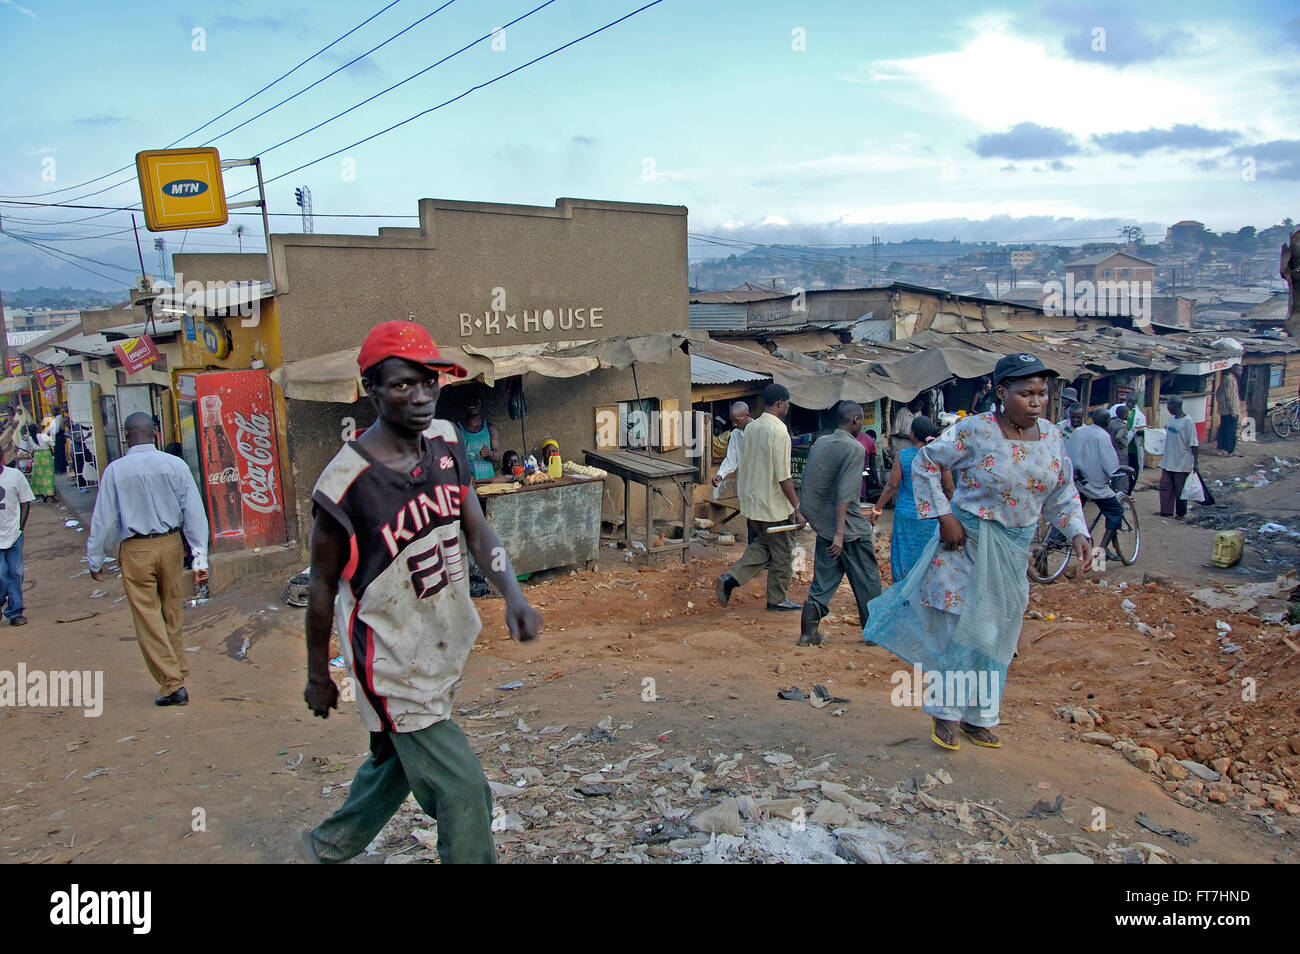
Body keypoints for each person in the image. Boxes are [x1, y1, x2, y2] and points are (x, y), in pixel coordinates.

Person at [301, 321, 542, 865]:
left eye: (429, 382)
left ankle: (328, 847)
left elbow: (477, 529)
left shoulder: (448, 442)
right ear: (371, 390)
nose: (420, 396)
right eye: (402, 385)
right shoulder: (344, 486)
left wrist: (513, 593)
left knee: (396, 760)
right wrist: (319, 674)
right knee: (463, 793)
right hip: (391, 660)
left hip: (439, 639)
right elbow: (320, 587)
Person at [861, 353, 1091, 751]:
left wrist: (1077, 532)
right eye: (1025, 393)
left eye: (1041, 393)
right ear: (1002, 393)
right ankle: (946, 713)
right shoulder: (975, 431)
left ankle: (979, 716)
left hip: (1012, 552)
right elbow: (926, 464)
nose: (1036, 401)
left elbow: (1061, 492)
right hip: (965, 545)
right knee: (960, 627)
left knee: (997, 631)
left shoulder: (1053, 437)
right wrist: (943, 515)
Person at [86, 413, 210, 707]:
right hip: (170, 545)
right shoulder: (175, 465)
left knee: (148, 619)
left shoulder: (115, 471)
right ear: (155, 432)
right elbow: (194, 513)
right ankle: (176, 670)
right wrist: (199, 557)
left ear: (126, 434)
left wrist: (95, 558)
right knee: (171, 613)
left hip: (136, 549)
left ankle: (173, 683)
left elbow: (103, 520)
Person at [796, 402, 882, 646]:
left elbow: (810, 480)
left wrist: (814, 518)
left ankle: (808, 632)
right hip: (849, 529)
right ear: (854, 420)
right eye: (861, 420)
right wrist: (840, 534)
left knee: (823, 581)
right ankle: (874, 633)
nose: (862, 424)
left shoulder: (821, 442)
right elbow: (845, 494)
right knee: (867, 581)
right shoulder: (855, 449)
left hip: (824, 524)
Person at [714, 383, 806, 612]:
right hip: (774, 505)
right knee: (783, 552)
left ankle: (730, 578)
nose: (787, 406)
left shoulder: (751, 429)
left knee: (763, 545)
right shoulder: (778, 431)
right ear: (780, 403)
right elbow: (783, 476)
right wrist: (797, 506)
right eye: (787, 402)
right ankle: (777, 599)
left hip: (753, 501)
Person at [874, 416, 946, 582]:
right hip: (932, 516)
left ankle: (902, 592)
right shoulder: (939, 456)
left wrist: (877, 508)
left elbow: (892, 486)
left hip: (906, 515)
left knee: (904, 556)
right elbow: (948, 487)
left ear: (913, 434)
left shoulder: (903, 455)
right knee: (929, 556)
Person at [1066, 408, 1124, 561]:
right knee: (1116, 511)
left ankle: (1050, 543)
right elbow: (1110, 466)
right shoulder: (1102, 436)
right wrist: (1120, 468)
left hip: (1076, 480)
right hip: (1094, 485)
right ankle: (1101, 550)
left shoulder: (1079, 432)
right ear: (1107, 421)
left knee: (1071, 513)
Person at [0, 454, 35, 625]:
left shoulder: (14, 476)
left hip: (13, 534)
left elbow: (25, 502)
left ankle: (15, 612)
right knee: (1, 575)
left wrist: (20, 527)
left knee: (15, 573)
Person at [1158, 395, 1200, 519]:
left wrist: (1195, 462)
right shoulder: (1171, 419)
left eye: (1169, 405)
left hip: (1182, 460)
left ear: (1176, 406)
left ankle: (1181, 512)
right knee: (1165, 485)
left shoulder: (1188, 421)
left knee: (1180, 488)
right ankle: (1166, 510)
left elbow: (1193, 443)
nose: (1167, 408)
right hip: (1168, 459)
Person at [710, 402, 752, 500]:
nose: (734, 424)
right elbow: (731, 460)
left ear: (747, 416)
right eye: (732, 421)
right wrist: (720, 475)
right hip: (744, 486)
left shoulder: (760, 431)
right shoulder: (735, 434)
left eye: (737, 421)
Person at [455, 393, 499, 481]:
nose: (472, 404)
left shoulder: (490, 428)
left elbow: (498, 456)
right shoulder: (457, 428)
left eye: (476, 402)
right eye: (469, 402)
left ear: (481, 405)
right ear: (464, 405)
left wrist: (490, 453)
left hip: (488, 480)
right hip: (468, 482)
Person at [1109, 393, 1146, 494]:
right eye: (1129, 402)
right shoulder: (1116, 408)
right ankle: (1116, 492)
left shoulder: (1139, 414)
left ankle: (1128, 492)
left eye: (1133, 403)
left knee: (1132, 469)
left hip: (1132, 447)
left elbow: (1142, 429)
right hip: (1117, 448)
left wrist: (1139, 431)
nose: (1130, 404)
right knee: (1117, 471)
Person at [1215, 365, 1242, 456]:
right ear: (1233, 370)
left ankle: (1221, 449)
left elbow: (1218, 393)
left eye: (1241, 370)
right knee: (1230, 431)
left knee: (1223, 429)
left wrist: (1220, 404)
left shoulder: (1226, 378)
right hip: (1230, 410)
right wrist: (1233, 410)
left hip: (1224, 410)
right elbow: (1231, 397)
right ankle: (1229, 450)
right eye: (1238, 370)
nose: (1240, 372)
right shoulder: (1230, 380)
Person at [23, 424, 54, 502]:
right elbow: (53, 444)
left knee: (38, 476)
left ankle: (40, 494)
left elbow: (30, 450)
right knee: (48, 476)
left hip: (37, 457)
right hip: (46, 456)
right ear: (37, 429)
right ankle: (49, 494)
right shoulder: (43, 436)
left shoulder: (29, 439)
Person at [857, 426, 880, 500]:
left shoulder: (857, 435)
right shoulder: (872, 441)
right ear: (873, 438)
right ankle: (861, 497)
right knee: (862, 476)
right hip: (860, 462)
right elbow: (872, 465)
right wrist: (877, 481)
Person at [44, 404, 67, 475]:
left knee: (59, 453)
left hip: (59, 436)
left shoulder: (58, 418)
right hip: (56, 437)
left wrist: (50, 433)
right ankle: (59, 467)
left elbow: (56, 429)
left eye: (53, 410)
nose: (52, 412)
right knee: (57, 452)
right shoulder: (56, 418)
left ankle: (61, 468)